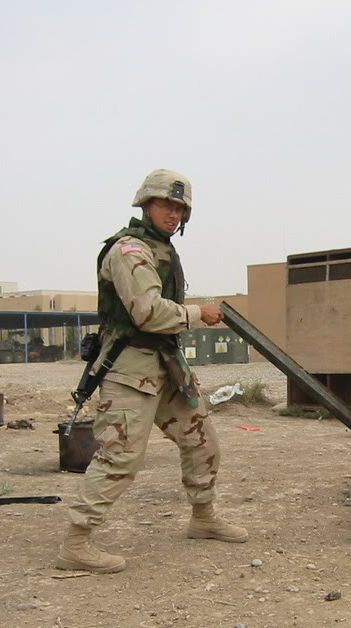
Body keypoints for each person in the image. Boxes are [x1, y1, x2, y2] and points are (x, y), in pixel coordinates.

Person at [56, 169, 249, 574]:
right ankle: (76, 542)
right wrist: (199, 313)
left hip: (166, 366)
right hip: (130, 369)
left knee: (203, 441)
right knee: (120, 456)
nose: (173, 214)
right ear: (145, 204)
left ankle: (203, 518)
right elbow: (147, 312)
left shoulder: (159, 249)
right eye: (166, 205)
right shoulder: (129, 250)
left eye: (180, 208)